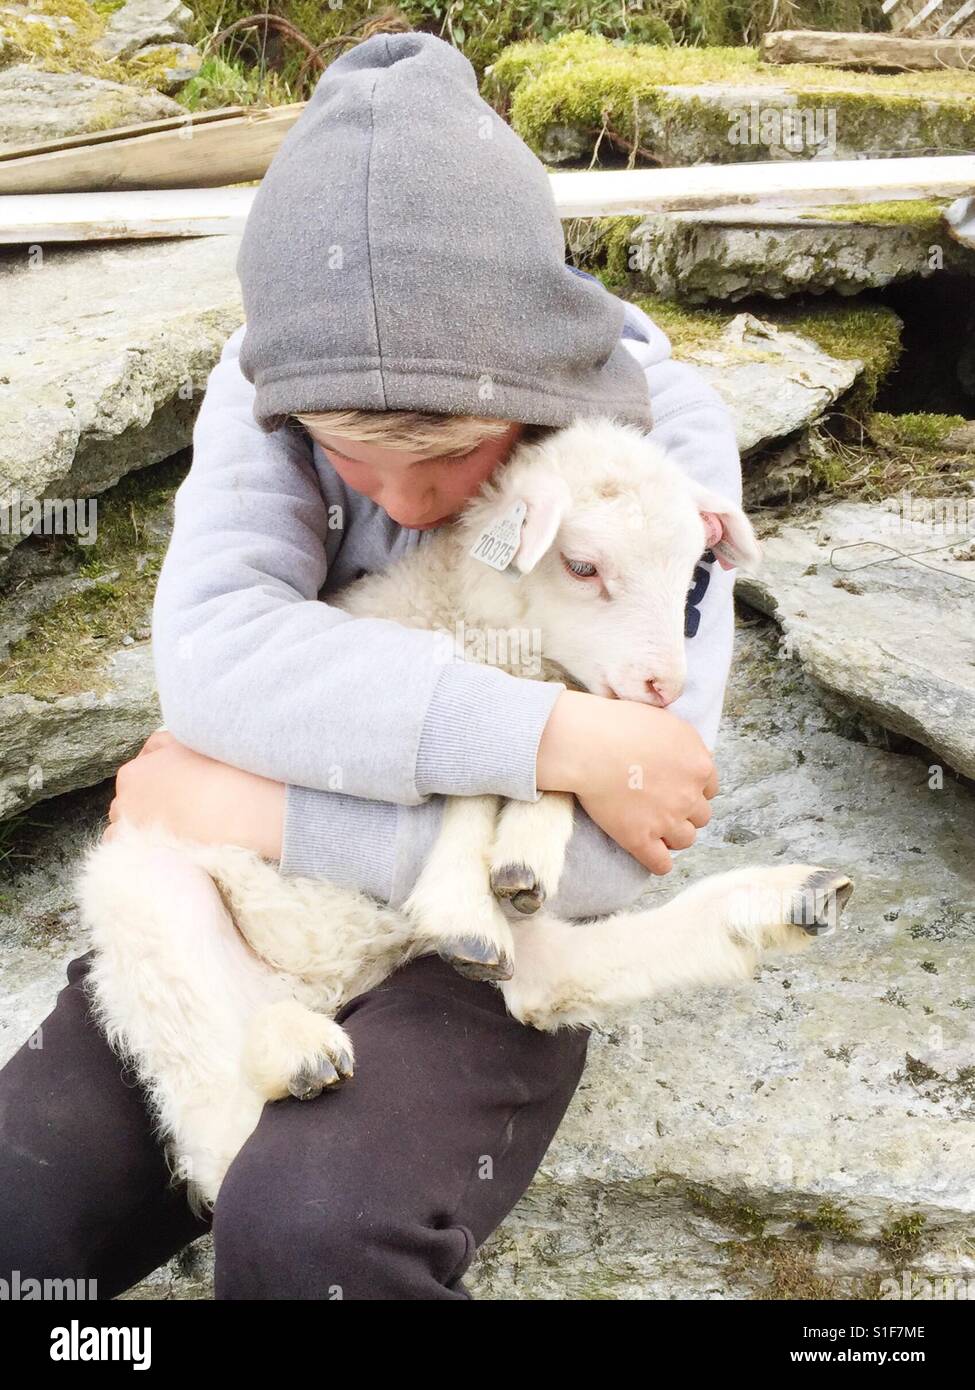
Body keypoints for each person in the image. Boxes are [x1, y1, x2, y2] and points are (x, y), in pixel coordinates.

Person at [0, 31, 742, 1300]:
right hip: (250, 914)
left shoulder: (652, 453)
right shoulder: (267, 396)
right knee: (19, 1208)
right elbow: (221, 661)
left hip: (483, 961)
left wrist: (257, 799)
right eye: (353, 458)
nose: (402, 493)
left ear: (539, 379)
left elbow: (625, 841)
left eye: (451, 462)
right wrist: (555, 739)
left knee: (315, 1231)